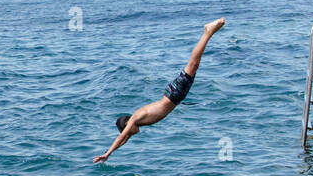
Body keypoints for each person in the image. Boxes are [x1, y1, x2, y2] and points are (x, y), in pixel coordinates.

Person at [93, 18, 225, 164]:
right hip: (173, 96)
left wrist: (108, 154)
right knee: (193, 66)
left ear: (127, 126)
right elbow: (124, 140)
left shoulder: (135, 119)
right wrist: (108, 152)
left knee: (193, 65)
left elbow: (121, 138)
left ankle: (208, 32)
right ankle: (207, 33)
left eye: (128, 132)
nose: (131, 135)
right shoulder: (137, 121)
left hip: (173, 96)